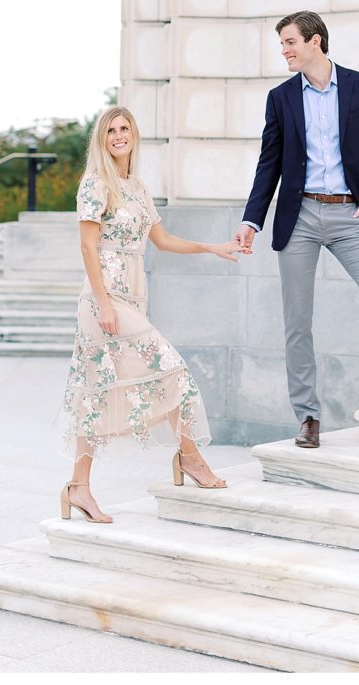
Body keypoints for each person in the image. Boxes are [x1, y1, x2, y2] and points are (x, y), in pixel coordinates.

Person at [235, 11, 359, 451]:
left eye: (290, 42)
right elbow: (269, 163)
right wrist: (252, 220)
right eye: (282, 44)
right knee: (297, 322)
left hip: (352, 216)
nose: (284, 51)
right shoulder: (280, 97)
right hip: (300, 217)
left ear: (315, 41)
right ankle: (307, 415)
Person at [59, 107, 242, 523]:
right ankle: (191, 458)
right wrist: (104, 303)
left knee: (98, 392)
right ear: (101, 140)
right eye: (111, 131)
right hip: (103, 301)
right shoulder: (94, 185)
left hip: (132, 299)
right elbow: (88, 247)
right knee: (171, 370)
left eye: (125, 129)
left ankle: (78, 487)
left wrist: (212, 247)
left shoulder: (137, 188)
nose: (119, 136)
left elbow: (161, 239)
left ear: (134, 136)